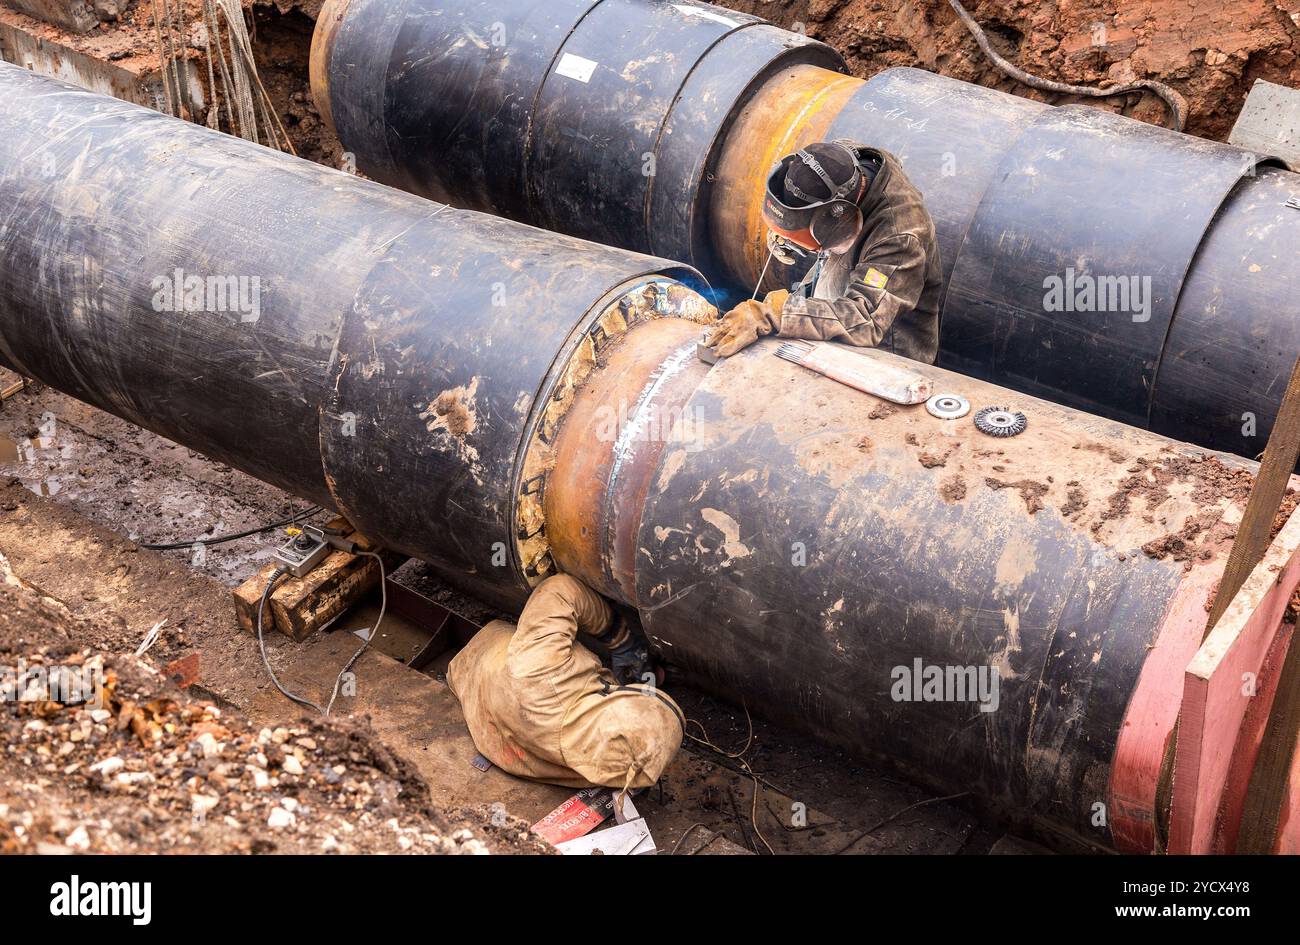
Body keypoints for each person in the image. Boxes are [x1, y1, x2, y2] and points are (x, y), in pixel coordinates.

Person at [705, 140, 942, 364]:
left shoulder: (900, 237)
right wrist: (788, 224)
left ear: (838, 215)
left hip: (885, 357)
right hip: (838, 296)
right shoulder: (838, 161)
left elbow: (863, 319)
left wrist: (777, 313)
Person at [447, 574, 683, 792]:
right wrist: (615, 663)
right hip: (489, 692)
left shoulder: (543, 671)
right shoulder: (601, 770)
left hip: (474, 674)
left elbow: (559, 590)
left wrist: (620, 639)